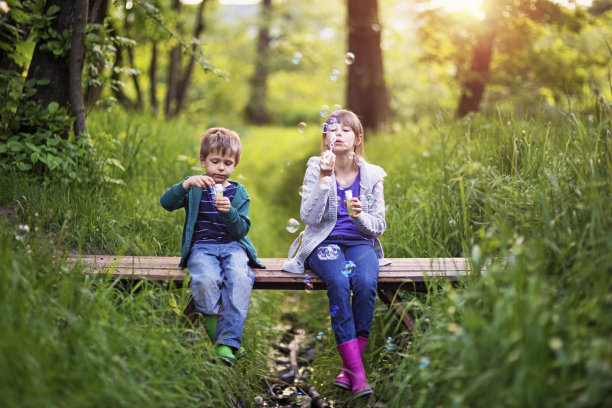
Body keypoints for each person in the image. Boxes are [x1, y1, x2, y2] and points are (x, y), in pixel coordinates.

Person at [282, 109, 389, 398]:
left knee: (366, 284)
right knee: (340, 282)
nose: (338, 133)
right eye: (332, 129)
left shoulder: (373, 175)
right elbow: (308, 216)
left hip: (360, 243)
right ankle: (359, 377)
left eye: (346, 130)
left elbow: (378, 226)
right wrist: (324, 179)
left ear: (358, 139)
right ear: (325, 137)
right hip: (324, 242)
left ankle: (349, 369)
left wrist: (359, 218)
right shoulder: (316, 167)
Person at [160, 127, 265, 367]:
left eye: (227, 163)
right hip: (202, 247)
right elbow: (166, 203)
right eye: (215, 161)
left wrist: (230, 213)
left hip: (233, 247)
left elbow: (240, 231)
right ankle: (226, 344)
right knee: (204, 280)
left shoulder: (238, 193)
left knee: (240, 278)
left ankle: (225, 343)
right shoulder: (195, 188)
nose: (220, 168)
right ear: (203, 160)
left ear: (235, 165)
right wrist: (185, 184)